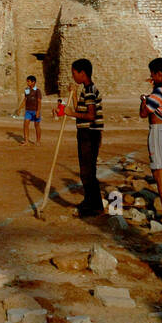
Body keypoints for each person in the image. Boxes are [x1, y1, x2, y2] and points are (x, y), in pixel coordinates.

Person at [70, 58, 104, 218]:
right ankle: (91, 202)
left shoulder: (90, 90)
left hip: (89, 134)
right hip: (86, 133)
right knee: (87, 170)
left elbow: (90, 115)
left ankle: (93, 205)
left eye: (74, 74)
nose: (73, 77)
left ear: (82, 73)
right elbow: (82, 109)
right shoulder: (86, 90)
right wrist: (75, 97)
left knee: (87, 171)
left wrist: (70, 114)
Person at [139, 58, 162, 220]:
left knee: (159, 173)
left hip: (159, 131)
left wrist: (144, 100)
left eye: (153, 74)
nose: (151, 77)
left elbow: (144, 113)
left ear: (160, 74)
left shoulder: (159, 92)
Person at [14, 75, 43, 144]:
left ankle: (38, 141)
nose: (27, 83)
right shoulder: (27, 90)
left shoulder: (37, 91)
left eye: (28, 81)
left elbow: (39, 102)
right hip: (28, 111)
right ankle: (26, 141)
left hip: (35, 111)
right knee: (25, 125)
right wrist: (19, 109)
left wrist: (38, 112)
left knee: (36, 125)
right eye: (27, 81)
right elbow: (25, 100)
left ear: (33, 82)